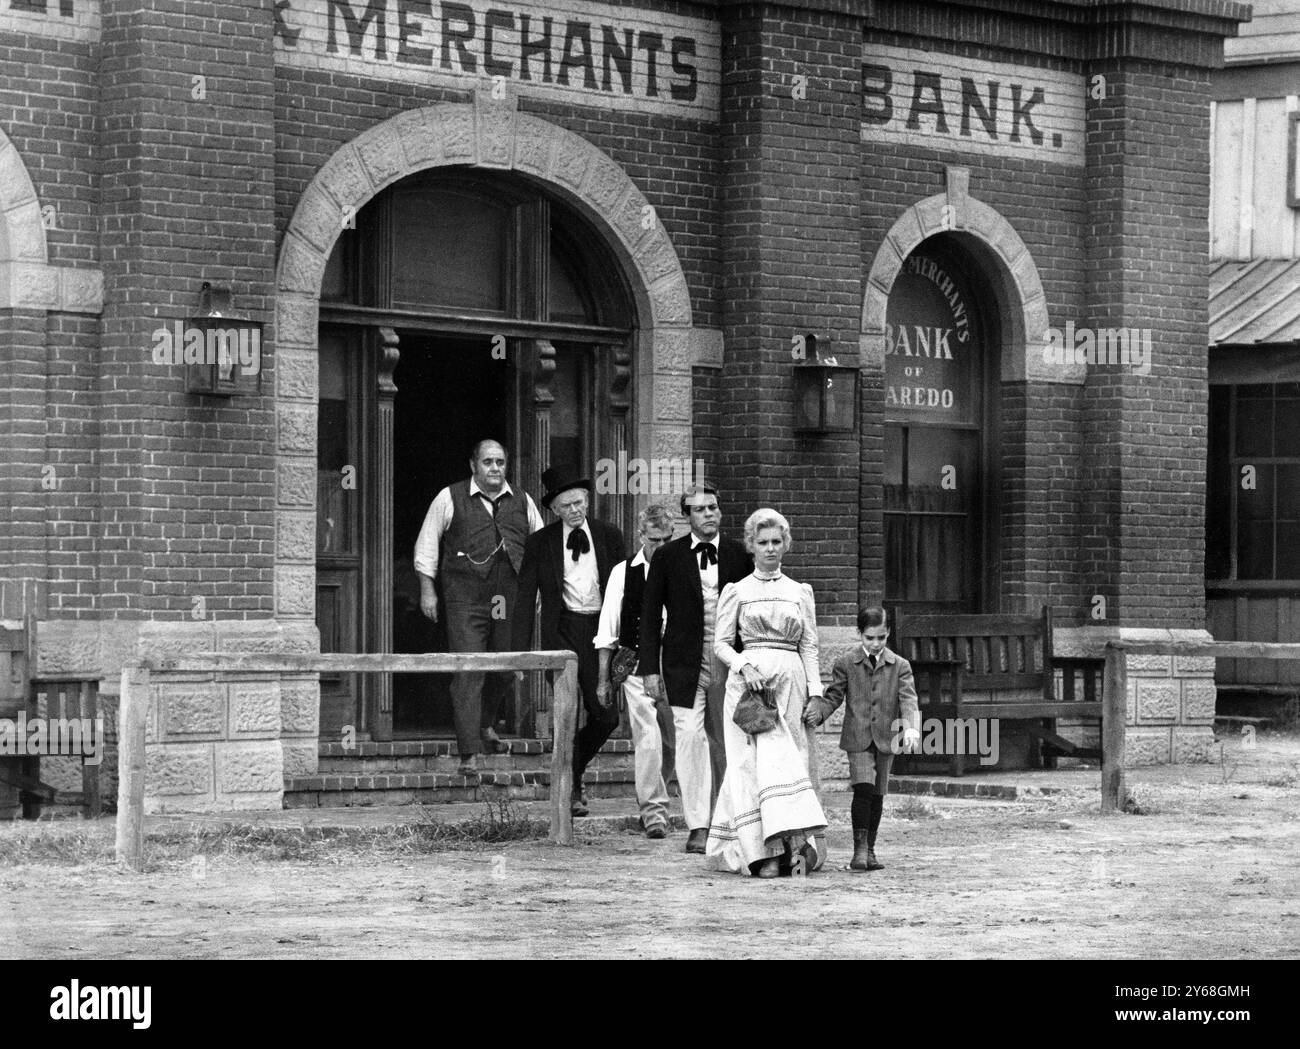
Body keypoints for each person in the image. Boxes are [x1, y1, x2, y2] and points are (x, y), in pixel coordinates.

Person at [707, 509, 827, 878]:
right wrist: (744, 665)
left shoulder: (799, 592)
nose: (770, 549)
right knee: (748, 766)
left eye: (777, 542)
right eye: (763, 543)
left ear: (786, 545)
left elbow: (809, 647)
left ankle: (792, 848)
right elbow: (721, 644)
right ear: (751, 546)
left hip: (790, 684)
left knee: (790, 762)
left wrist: (816, 692)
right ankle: (759, 853)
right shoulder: (737, 591)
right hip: (749, 688)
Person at [414, 438, 543, 776]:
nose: (495, 469)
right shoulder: (450, 496)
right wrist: (428, 591)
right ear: (474, 465)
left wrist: (538, 592)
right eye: (488, 462)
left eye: (500, 462)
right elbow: (427, 544)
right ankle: (469, 753)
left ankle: (485, 724)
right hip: (465, 598)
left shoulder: (523, 501)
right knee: (469, 669)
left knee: (504, 665)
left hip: (506, 599)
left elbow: (540, 549)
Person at [638, 481, 751, 854]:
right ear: (687, 517)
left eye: (714, 508)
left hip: (728, 661)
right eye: (701, 509)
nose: (709, 514)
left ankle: (729, 818)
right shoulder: (668, 556)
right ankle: (698, 824)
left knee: (726, 740)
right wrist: (650, 670)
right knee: (688, 738)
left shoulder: (738, 554)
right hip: (683, 663)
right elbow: (650, 616)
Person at [513, 465, 626, 817]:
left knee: (605, 716)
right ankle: (570, 790)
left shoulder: (610, 536)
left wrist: (629, 641)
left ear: (587, 501)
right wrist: (519, 655)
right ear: (554, 510)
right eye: (566, 506)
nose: (574, 511)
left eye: (579, 503)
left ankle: (572, 769)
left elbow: (626, 591)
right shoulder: (540, 543)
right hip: (561, 631)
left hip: (600, 635)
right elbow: (523, 598)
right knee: (566, 713)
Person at [804, 606, 921, 871]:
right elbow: (834, 696)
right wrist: (818, 712)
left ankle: (870, 850)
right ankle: (858, 851)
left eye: (881, 637)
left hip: (886, 739)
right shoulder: (846, 662)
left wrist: (911, 728)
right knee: (863, 788)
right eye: (870, 638)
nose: (876, 643)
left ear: (888, 632)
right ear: (860, 634)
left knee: (878, 794)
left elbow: (908, 698)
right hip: (857, 737)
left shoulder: (900, 665)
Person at [593, 503, 678, 838]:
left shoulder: (681, 569)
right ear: (641, 535)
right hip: (634, 666)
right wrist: (603, 680)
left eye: (668, 539)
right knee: (648, 737)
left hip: (673, 667)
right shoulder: (622, 572)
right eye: (655, 539)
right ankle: (654, 812)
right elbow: (607, 629)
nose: (661, 546)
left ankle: (659, 793)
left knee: (671, 740)